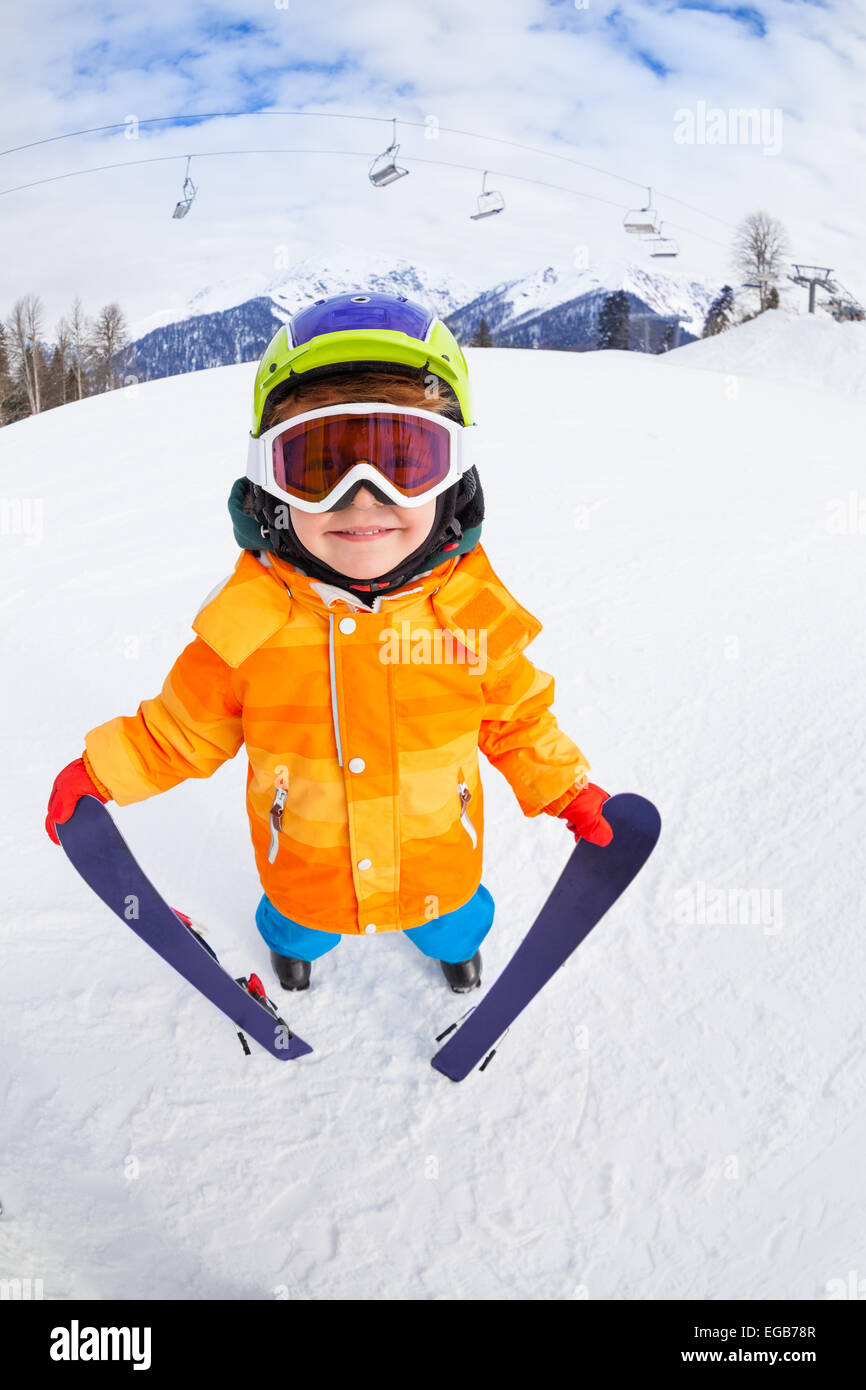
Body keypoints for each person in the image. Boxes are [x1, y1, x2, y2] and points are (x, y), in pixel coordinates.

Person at [45, 290, 613, 995]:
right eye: (318, 465)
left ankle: (457, 954)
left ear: (454, 477)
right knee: (295, 920)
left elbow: (519, 721)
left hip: (440, 861)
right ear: (270, 485)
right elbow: (178, 732)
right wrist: (100, 773)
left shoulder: (468, 617)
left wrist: (571, 790)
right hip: (304, 867)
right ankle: (295, 950)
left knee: (454, 919)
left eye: (404, 461)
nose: (362, 495)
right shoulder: (248, 627)